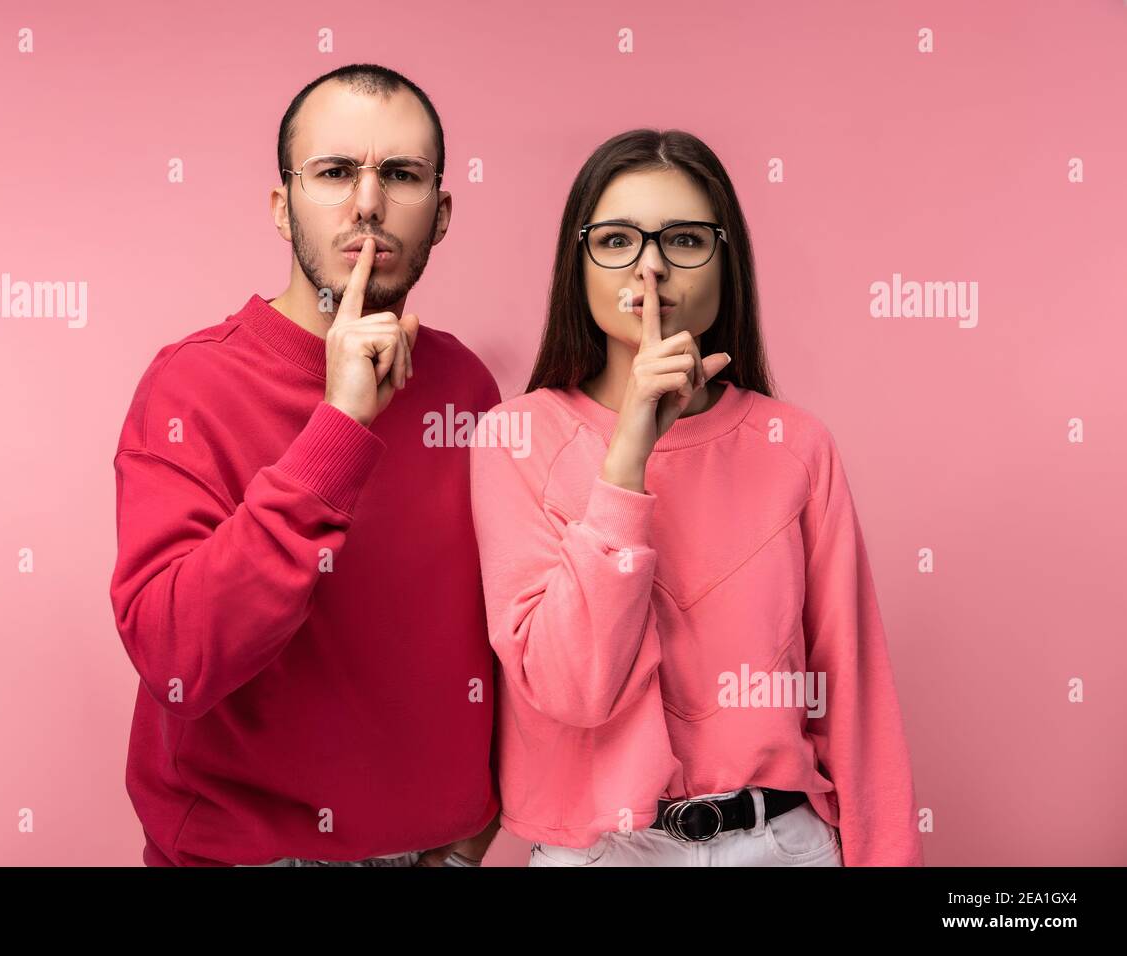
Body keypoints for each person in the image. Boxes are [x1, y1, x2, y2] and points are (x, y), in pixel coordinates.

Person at [469, 128, 924, 866]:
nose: (650, 267)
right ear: (577, 265)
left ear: (726, 260)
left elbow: (855, 696)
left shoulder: (797, 446)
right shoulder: (514, 439)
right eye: (616, 239)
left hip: (779, 843)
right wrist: (627, 461)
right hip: (602, 851)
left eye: (684, 239)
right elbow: (569, 689)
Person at [109, 63, 501, 867]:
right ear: (283, 208)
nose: (367, 204)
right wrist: (340, 425)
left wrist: (474, 824)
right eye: (333, 174)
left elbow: (496, 628)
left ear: (443, 211)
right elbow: (177, 658)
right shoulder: (191, 386)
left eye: (401, 175)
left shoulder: (467, 385)